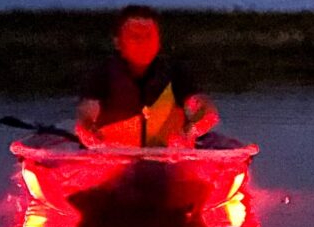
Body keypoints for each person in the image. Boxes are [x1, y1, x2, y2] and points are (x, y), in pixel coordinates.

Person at [76, 8, 219, 149]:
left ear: (159, 42)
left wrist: (193, 128)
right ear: (118, 43)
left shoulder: (176, 72)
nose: (143, 43)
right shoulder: (102, 74)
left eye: (149, 36)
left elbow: (203, 106)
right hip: (114, 157)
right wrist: (89, 129)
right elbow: (88, 110)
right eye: (135, 37)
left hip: (169, 158)